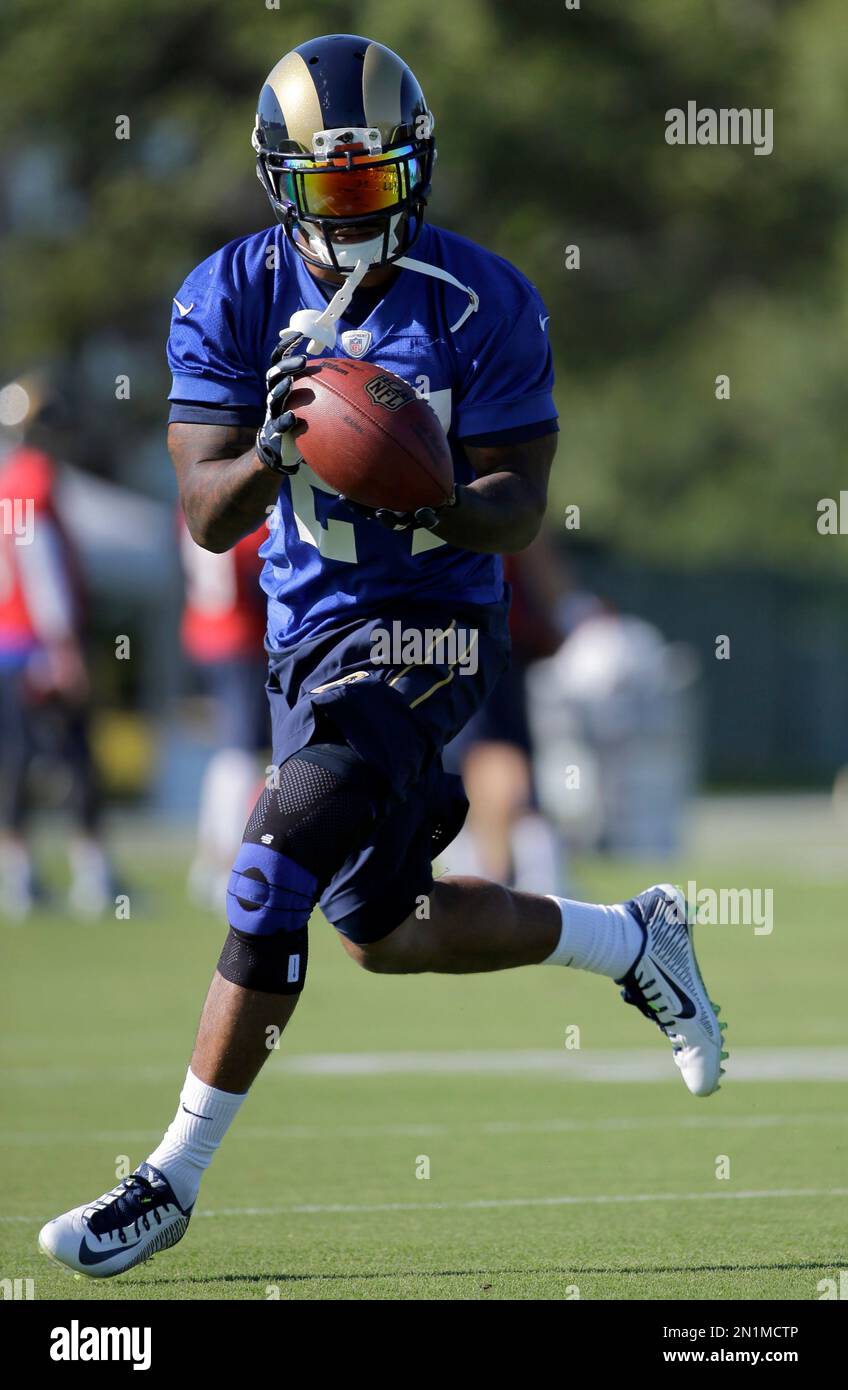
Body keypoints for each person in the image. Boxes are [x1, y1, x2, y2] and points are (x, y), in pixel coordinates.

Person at [39, 34, 726, 1279]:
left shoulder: (485, 296)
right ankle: (633, 942)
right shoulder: (227, 294)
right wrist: (276, 453)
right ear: (278, 183)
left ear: (416, 170)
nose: (356, 208)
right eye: (328, 185)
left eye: (375, 181)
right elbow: (202, 510)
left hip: (433, 624)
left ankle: (171, 1179)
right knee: (381, 927)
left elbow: (521, 505)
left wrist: (430, 492)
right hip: (305, 638)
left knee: (270, 860)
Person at [0, 378, 113, 919]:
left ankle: (20, 875)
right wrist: (63, 646)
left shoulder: (7, 480)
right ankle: (93, 872)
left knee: (18, 760)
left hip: (10, 642)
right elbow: (40, 570)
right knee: (76, 757)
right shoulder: (35, 480)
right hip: (39, 641)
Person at [179, 517, 270, 909]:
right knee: (241, 753)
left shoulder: (194, 501)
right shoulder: (248, 514)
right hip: (238, 636)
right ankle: (226, 866)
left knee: (232, 752)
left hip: (206, 632)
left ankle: (212, 861)